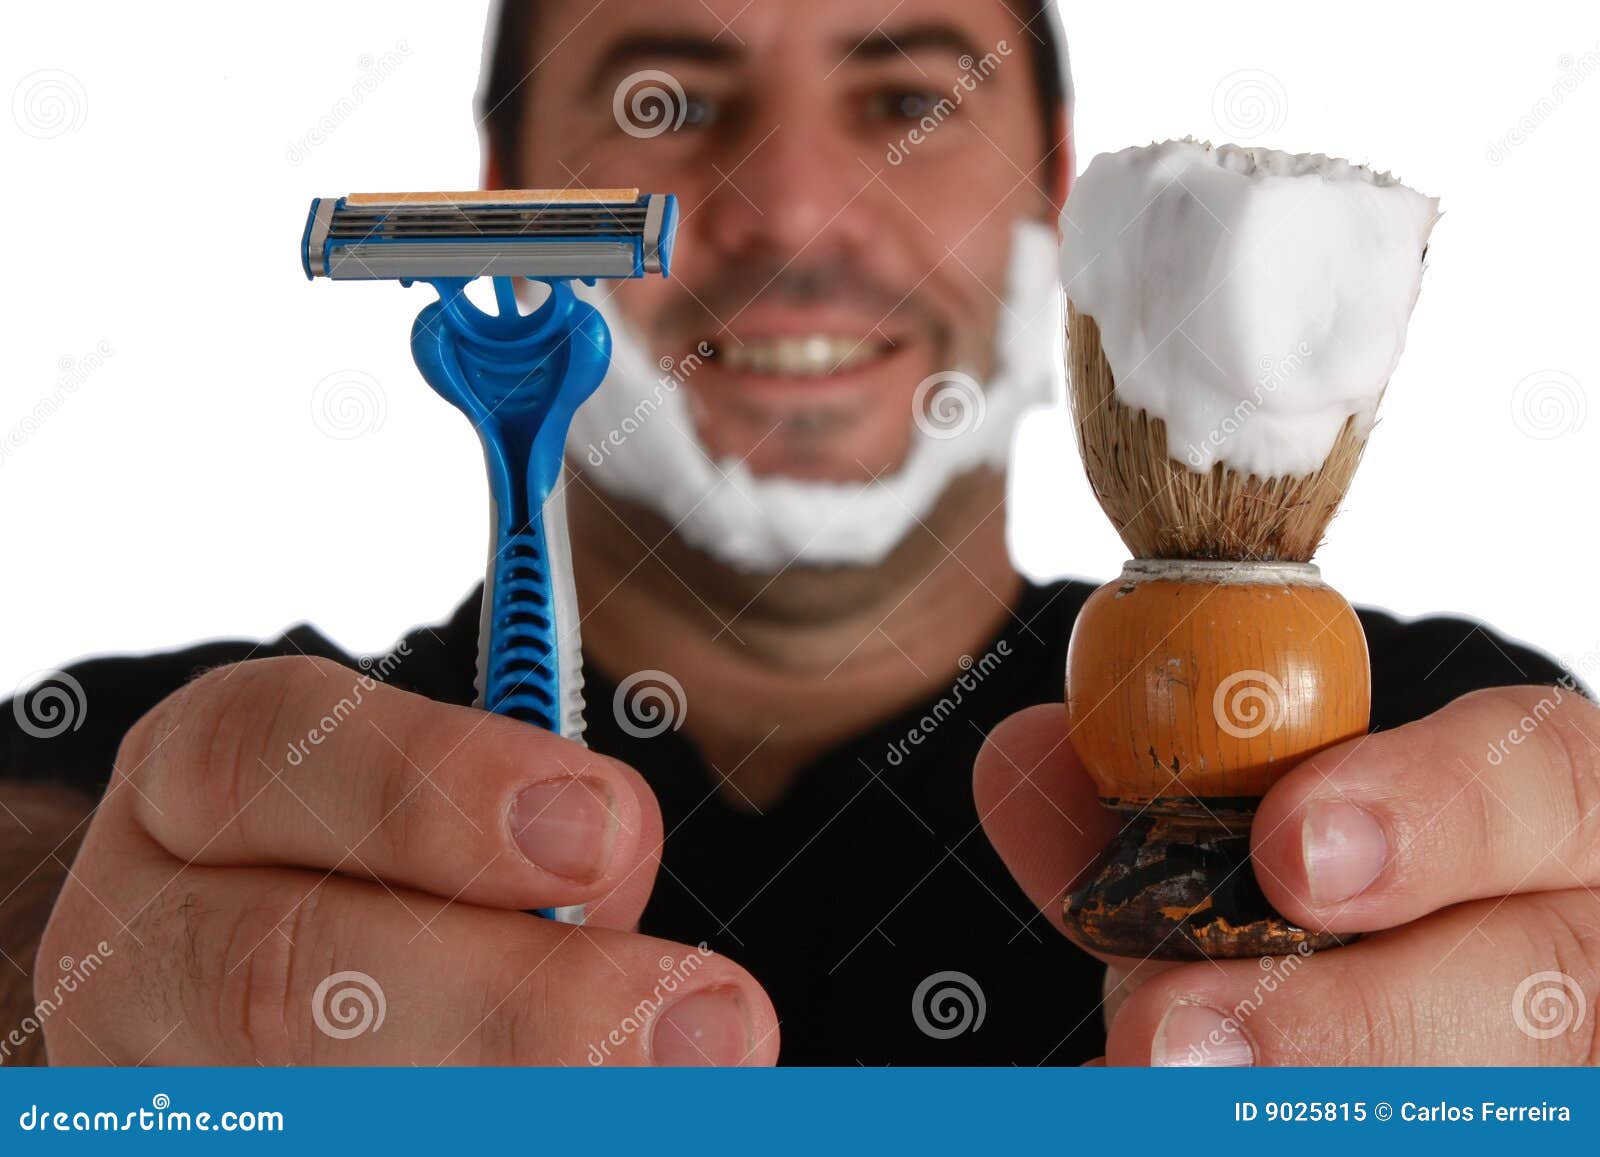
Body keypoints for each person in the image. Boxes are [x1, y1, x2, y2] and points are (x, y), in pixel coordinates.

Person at [2, 0, 1595, 1067]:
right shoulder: (147, 773)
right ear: (504, 191)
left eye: (905, 99)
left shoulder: (1447, 733)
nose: (799, 213)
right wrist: (45, 980)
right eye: (669, 98)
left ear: (1055, 193)